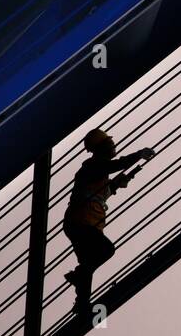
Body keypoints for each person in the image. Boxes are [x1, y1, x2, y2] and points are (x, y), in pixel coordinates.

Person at [62, 129, 154, 312]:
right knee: (105, 250)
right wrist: (138, 155)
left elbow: (97, 194)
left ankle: (81, 304)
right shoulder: (93, 167)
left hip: (80, 223)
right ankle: (80, 278)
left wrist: (115, 185)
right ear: (101, 148)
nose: (114, 146)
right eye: (109, 144)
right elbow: (114, 166)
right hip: (82, 223)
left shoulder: (95, 172)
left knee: (88, 264)